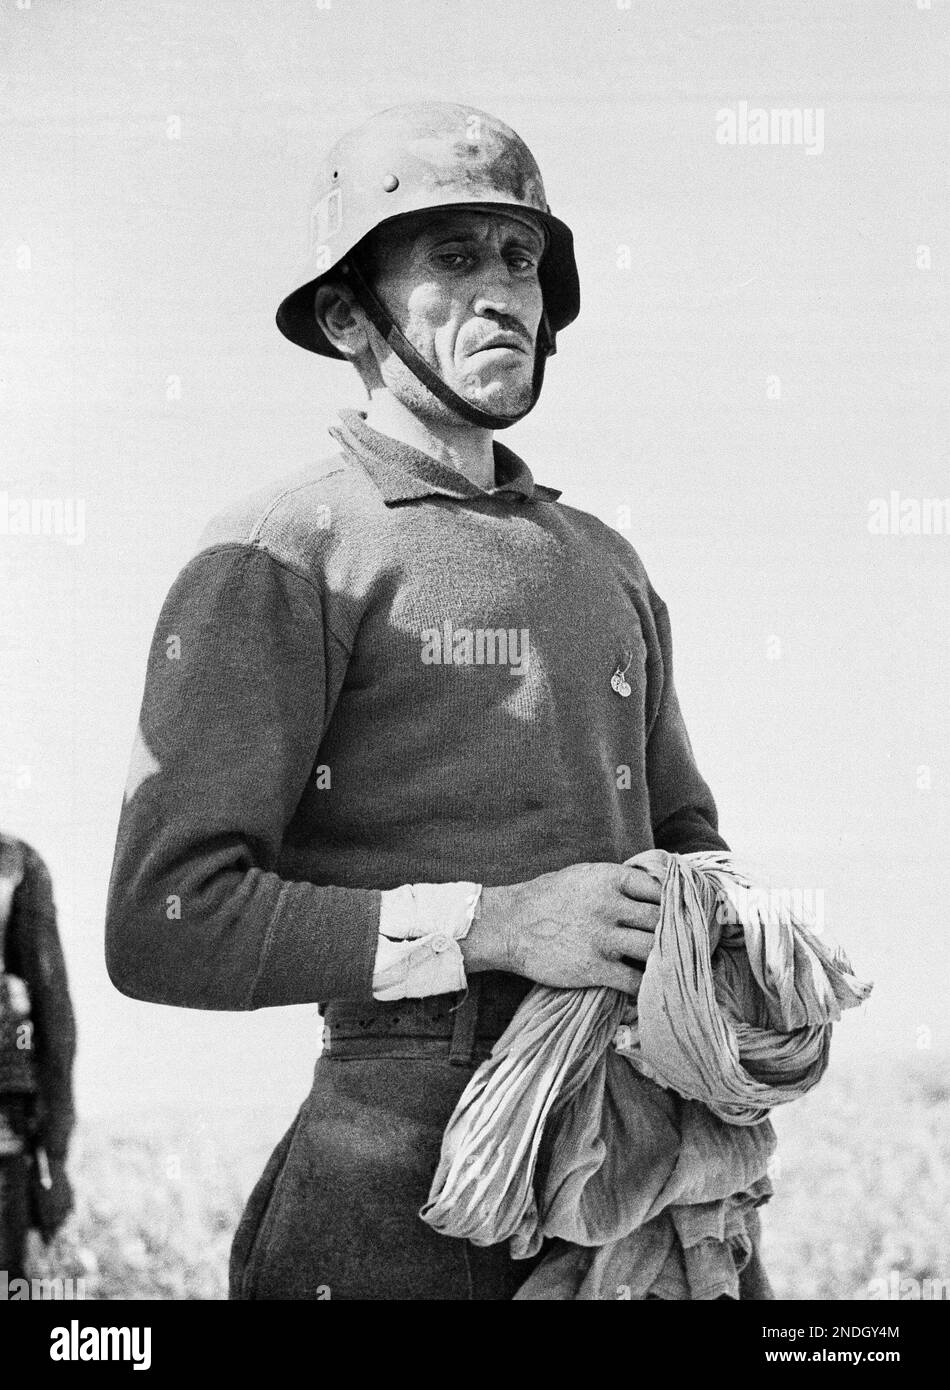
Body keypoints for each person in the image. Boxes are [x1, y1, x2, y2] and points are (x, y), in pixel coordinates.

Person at [105, 101, 773, 1300]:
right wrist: (495, 925)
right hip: (405, 1185)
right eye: (453, 257)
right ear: (345, 314)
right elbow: (167, 918)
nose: (506, 292)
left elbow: (685, 840)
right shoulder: (287, 550)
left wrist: (722, 946)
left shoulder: (602, 559)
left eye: (521, 258)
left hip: (631, 1159)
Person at [0, 834, 76, 1279]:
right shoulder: (15, 864)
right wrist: (55, 1163)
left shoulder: (16, 865)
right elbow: (54, 1016)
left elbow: (53, 1017)